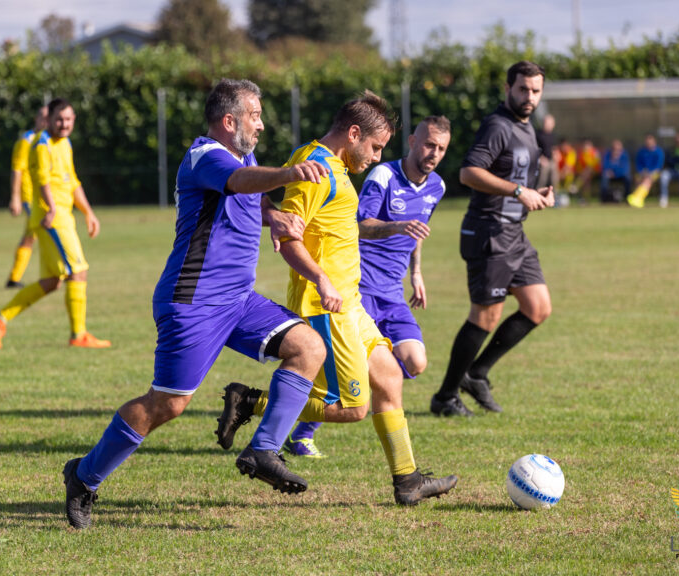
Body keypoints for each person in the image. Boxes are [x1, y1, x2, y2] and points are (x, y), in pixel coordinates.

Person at [61, 79, 331, 530]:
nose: (262, 124)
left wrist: (272, 214)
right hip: (194, 301)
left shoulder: (244, 157)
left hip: (239, 301)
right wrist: (288, 174)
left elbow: (244, 192)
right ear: (229, 121)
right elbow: (236, 182)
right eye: (255, 115)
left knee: (308, 348)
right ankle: (83, 476)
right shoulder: (205, 155)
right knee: (167, 404)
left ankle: (263, 449)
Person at [217, 91, 458, 506]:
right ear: (352, 134)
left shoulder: (337, 166)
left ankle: (407, 480)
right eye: (376, 147)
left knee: (389, 375)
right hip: (325, 305)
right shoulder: (312, 168)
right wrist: (321, 281)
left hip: (353, 303)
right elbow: (288, 238)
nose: (378, 158)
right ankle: (251, 402)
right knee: (352, 407)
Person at [283, 116, 452, 459]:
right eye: (429, 144)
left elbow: (417, 233)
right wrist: (397, 226)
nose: (434, 153)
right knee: (343, 369)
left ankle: (365, 401)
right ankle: (301, 432)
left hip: (392, 291)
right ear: (413, 142)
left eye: (442, 148)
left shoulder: (438, 187)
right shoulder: (383, 175)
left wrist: (416, 274)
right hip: (361, 288)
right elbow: (361, 225)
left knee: (414, 361)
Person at [430, 60, 554, 417]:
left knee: (538, 307)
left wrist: (536, 194)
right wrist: (518, 191)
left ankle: (477, 373)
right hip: (489, 231)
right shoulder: (498, 126)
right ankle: (445, 397)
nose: (529, 97)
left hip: (514, 232)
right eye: (522, 89)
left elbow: (513, 177)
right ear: (507, 89)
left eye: (535, 91)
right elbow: (469, 172)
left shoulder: (526, 129)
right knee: (485, 316)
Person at [0, 98, 111, 350]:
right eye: (59, 119)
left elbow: (72, 181)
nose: (64, 124)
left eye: (69, 119)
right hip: (53, 218)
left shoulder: (64, 143)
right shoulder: (41, 144)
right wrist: (52, 208)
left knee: (52, 281)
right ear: (49, 119)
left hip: (62, 215)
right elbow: (41, 180)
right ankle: (79, 334)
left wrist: (89, 212)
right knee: (78, 270)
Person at [4, 105, 48, 288]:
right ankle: (53, 274)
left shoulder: (48, 140)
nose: (46, 121)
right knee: (41, 233)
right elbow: (17, 170)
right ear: (36, 119)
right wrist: (15, 197)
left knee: (31, 236)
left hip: (43, 197)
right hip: (30, 198)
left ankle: (14, 278)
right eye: (43, 118)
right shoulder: (27, 141)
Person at [626, 133, 665, 208]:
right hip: (643, 172)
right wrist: (643, 172)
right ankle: (638, 199)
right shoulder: (641, 152)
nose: (649, 144)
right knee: (637, 179)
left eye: (650, 142)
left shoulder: (659, 152)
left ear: (654, 142)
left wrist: (650, 173)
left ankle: (637, 198)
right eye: (647, 142)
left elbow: (658, 166)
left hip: (655, 173)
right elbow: (638, 165)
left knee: (648, 180)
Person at [573, 138, 601, 204]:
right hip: (585, 174)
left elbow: (596, 163)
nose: (586, 147)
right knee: (586, 181)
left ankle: (577, 185)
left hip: (595, 171)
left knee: (588, 169)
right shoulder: (582, 154)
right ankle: (586, 200)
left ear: (591, 146)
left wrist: (588, 167)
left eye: (588, 146)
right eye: (585, 146)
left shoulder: (595, 152)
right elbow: (579, 166)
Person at [535, 114, 558, 191]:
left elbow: (554, 148)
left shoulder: (553, 135)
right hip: (542, 161)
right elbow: (534, 148)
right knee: (542, 179)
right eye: (546, 123)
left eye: (549, 123)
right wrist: (540, 158)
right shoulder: (537, 134)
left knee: (554, 179)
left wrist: (556, 154)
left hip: (551, 160)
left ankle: (553, 196)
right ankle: (538, 194)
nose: (547, 125)